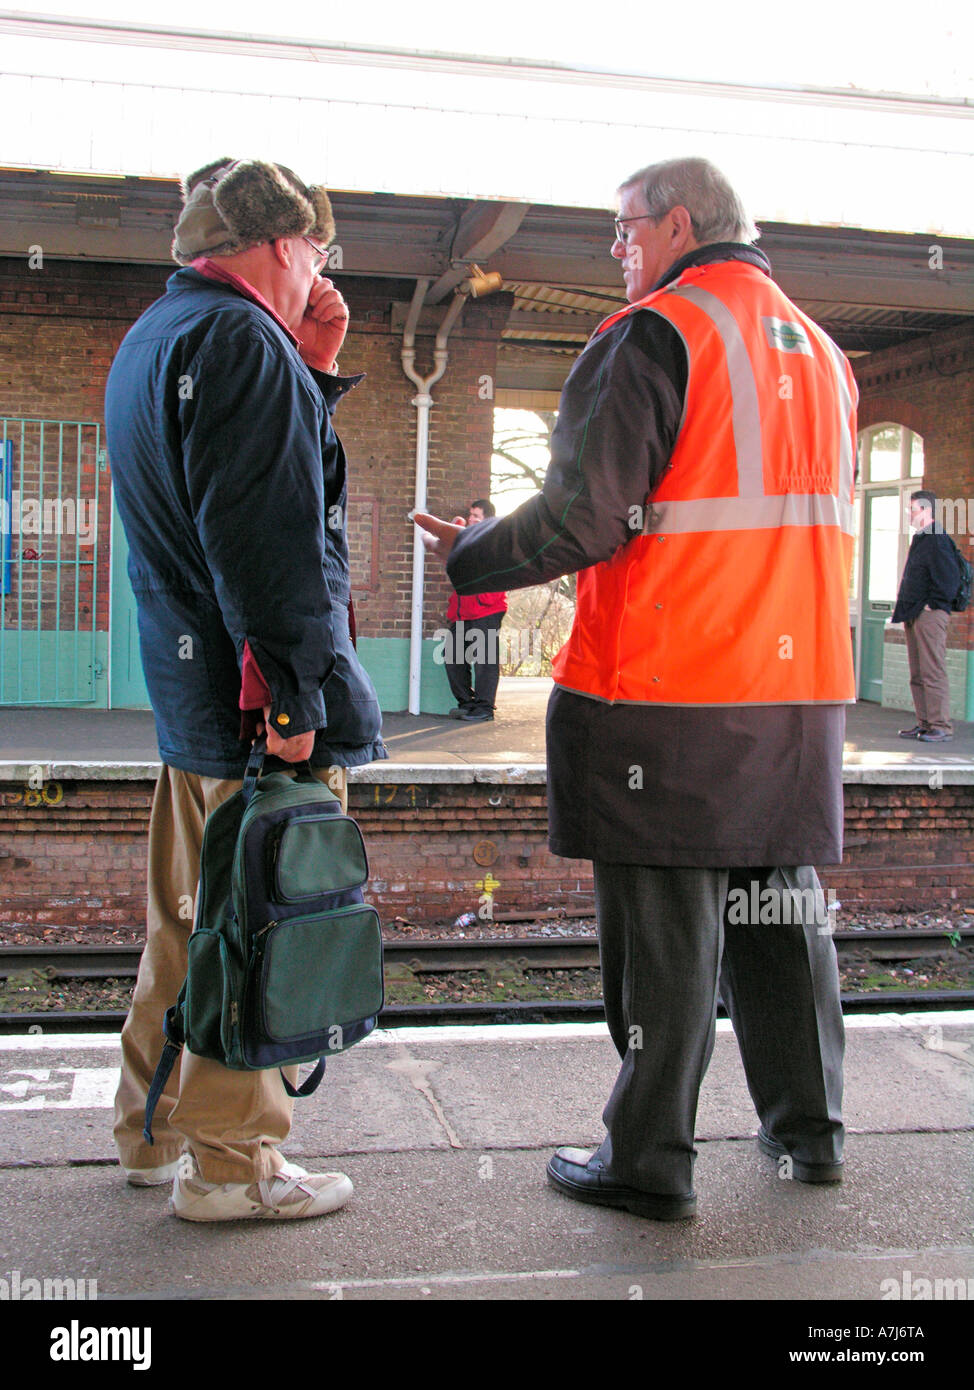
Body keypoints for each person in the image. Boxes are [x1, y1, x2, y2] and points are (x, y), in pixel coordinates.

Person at [416, 156, 857, 1220]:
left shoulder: (657, 332)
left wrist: (469, 553)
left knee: (663, 935)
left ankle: (647, 1159)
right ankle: (807, 1135)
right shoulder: (820, 350)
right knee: (778, 915)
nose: (614, 251)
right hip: (796, 697)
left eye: (621, 231)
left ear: (673, 225)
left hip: (665, 697)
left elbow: (581, 514)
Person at [105, 158, 387, 1221]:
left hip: (192, 705)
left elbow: (222, 485)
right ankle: (233, 1167)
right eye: (316, 248)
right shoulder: (239, 342)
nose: (320, 269)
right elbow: (268, 547)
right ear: (282, 244)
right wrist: (296, 706)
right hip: (251, 711)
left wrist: (306, 371)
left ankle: (147, 1129)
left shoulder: (160, 336)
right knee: (259, 924)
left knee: (187, 920)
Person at [893, 490, 956, 742]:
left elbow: (949, 580)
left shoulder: (937, 538)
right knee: (918, 673)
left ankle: (941, 726)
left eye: (913, 510)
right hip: (914, 612)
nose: (910, 514)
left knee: (932, 671)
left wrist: (932, 605)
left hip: (929, 615)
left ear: (926, 511)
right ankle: (925, 723)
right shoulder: (922, 538)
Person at [443, 498, 508, 722]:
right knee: (452, 654)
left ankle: (484, 708)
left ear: (487, 519)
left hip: (487, 607)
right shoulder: (465, 537)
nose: (471, 519)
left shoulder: (496, 540)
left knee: (484, 658)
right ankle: (466, 703)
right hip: (462, 610)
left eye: (476, 516)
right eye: (470, 515)